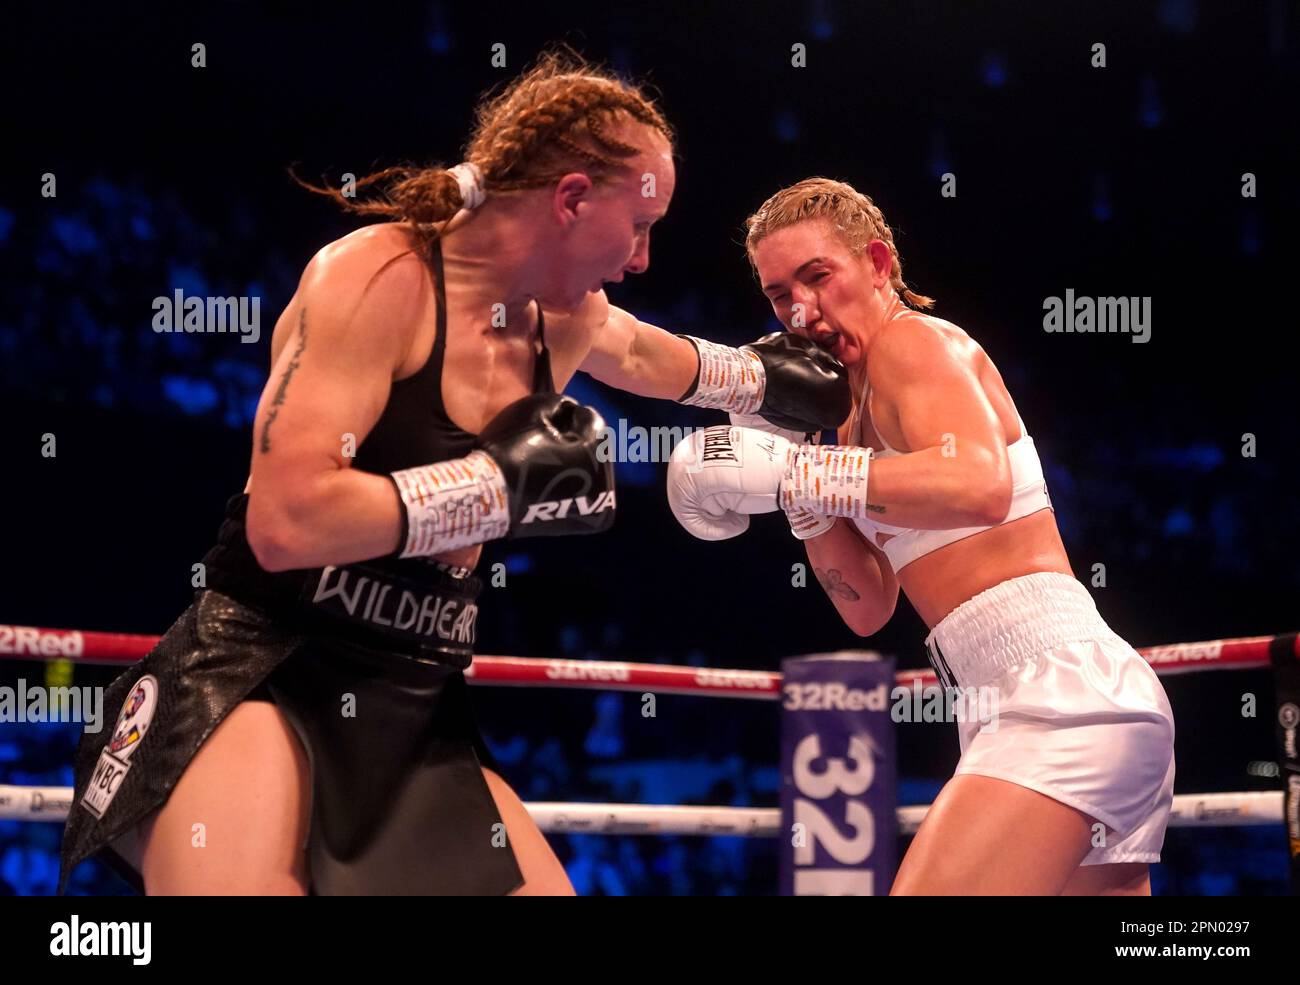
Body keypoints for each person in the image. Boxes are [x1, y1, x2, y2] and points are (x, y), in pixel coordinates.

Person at [58, 55, 848, 896]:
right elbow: (283, 523)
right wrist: (492, 486)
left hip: (414, 698)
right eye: (640, 225)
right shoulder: (377, 277)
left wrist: (774, 379)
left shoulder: (568, 318)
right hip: (265, 671)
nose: (644, 259)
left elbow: (668, 361)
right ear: (572, 199)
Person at [667, 176, 1175, 896]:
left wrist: (806, 470)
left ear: (877, 264)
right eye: (781, 294)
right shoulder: (841, 418)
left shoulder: (915, 343)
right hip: (1025, 702)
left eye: (819, 276)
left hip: (1061, 696)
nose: (802, 309)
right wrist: (798, 498)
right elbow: (867, 604)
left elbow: (979, 482)